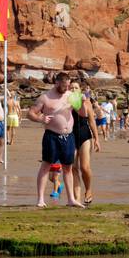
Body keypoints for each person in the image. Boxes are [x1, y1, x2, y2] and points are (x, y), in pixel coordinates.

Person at [27, 72, 79, 208]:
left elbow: (81, 111)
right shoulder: (45, 97)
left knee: (68, 168)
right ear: (57, 83)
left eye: (68, 86)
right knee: (46, 166)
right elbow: (30, 113)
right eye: (64, 86)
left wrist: (83, 100)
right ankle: (40, 199)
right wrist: (40, 118)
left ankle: (71, 199)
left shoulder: (70, 95)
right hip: (52, 136)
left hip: (69, 136)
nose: (66, 89)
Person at [68, 78, 100, 204]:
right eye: (71, 88)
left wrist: (97, 139)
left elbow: (92, 121)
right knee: (73, 168)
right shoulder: (66, 103)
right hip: (70, 136)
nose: (73, 90)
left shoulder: (86, 103)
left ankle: (88, 190)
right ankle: (77, 198)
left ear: (80, 90)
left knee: (84, 167)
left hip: (85, 136)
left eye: (76, 88)